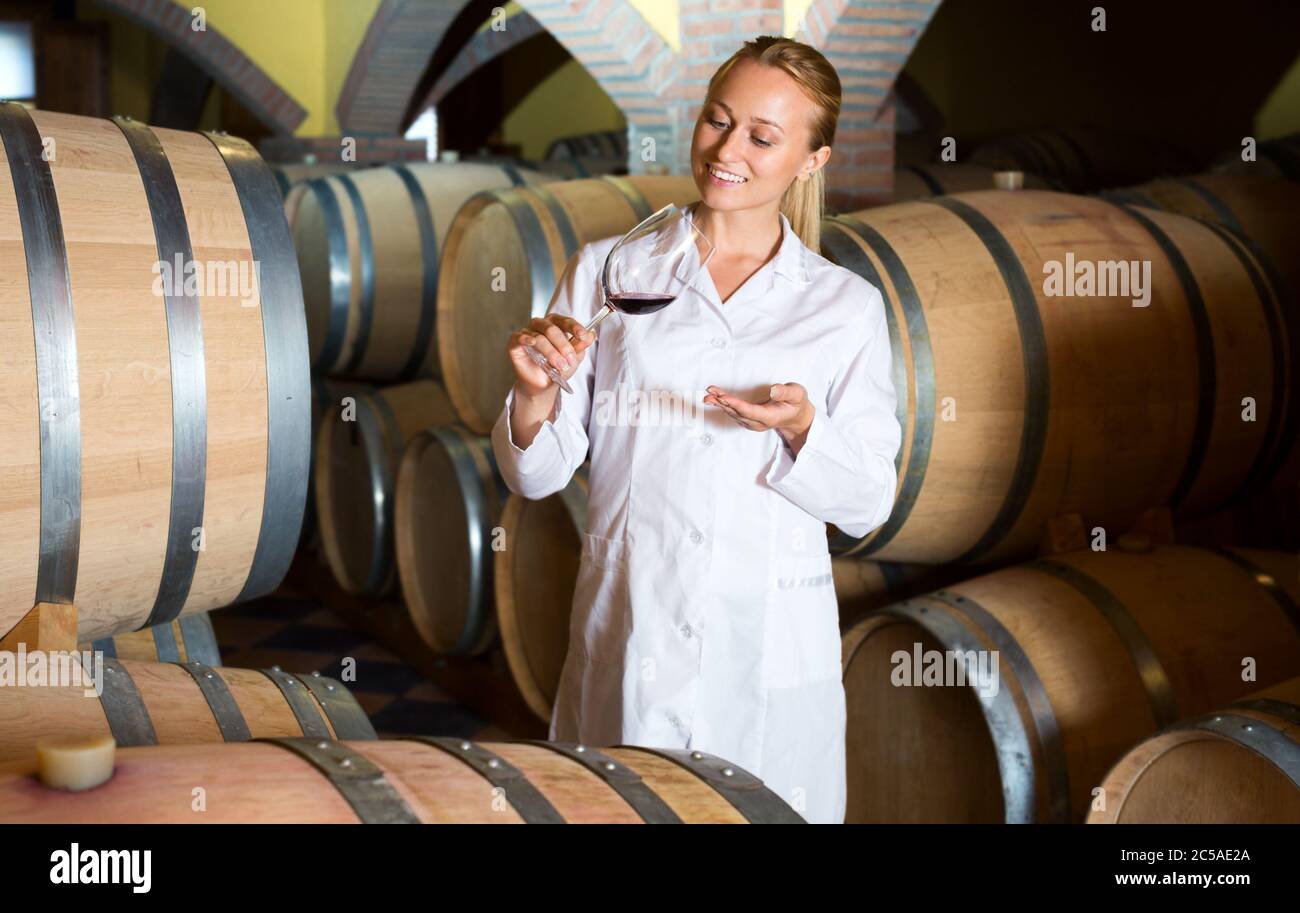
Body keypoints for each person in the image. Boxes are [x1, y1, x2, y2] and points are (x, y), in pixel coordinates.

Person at [490, 35, 901, 824]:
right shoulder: (611, 270)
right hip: (631, 632)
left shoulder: (843, 306)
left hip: (769, 649)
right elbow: (537, 476)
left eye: (762, 136)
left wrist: (802, 430)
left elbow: (868, 501)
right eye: (717, 120)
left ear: (812, 162)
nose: (726, 150)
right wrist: (535, 394)